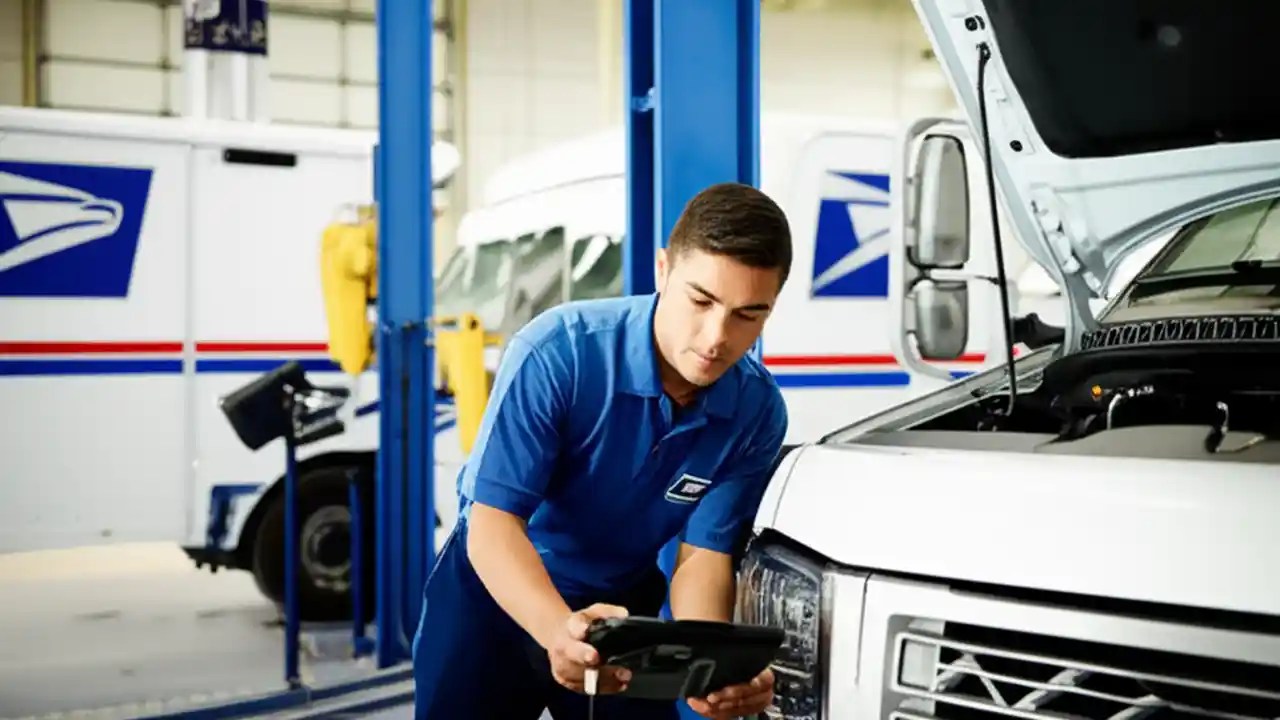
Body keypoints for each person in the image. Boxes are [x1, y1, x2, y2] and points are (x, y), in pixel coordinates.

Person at [411, 182, 792, 720]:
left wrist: (710, 669)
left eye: (748, 315)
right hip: (493, 589)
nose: (715, 337)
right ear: (663, 271)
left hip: (621, 608)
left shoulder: (756, 411)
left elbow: (703, 556)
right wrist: (557, 635)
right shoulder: (558, 354)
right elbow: (494, 523)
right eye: (701, 301)